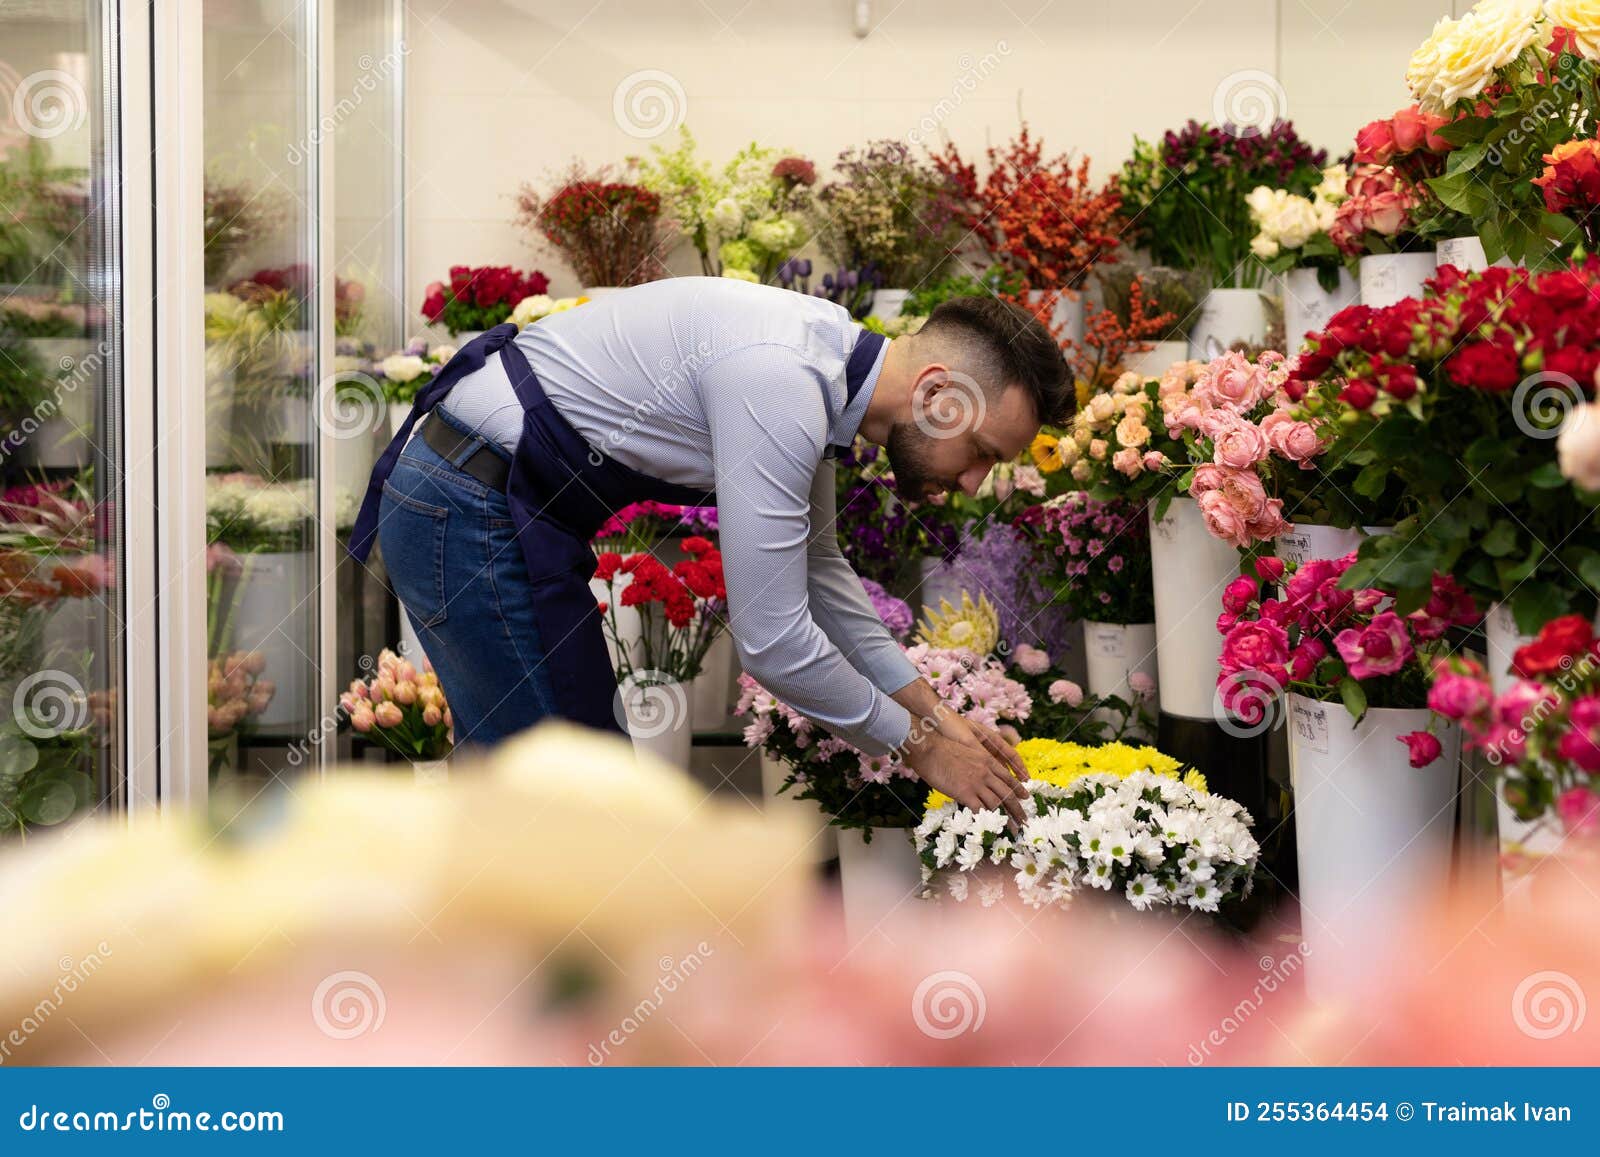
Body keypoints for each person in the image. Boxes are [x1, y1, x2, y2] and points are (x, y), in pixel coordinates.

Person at [349, 277, 1069, 824]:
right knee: (564, 806)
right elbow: (774, 642)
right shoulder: (783, 376)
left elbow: (818, 567)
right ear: (938, 394)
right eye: (979, 451)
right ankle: (522, 1008)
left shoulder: (823, 364)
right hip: (466, 502)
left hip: (496, 502)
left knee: (567, 797)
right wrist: (921, 748)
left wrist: (935, 713)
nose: (973, 482)